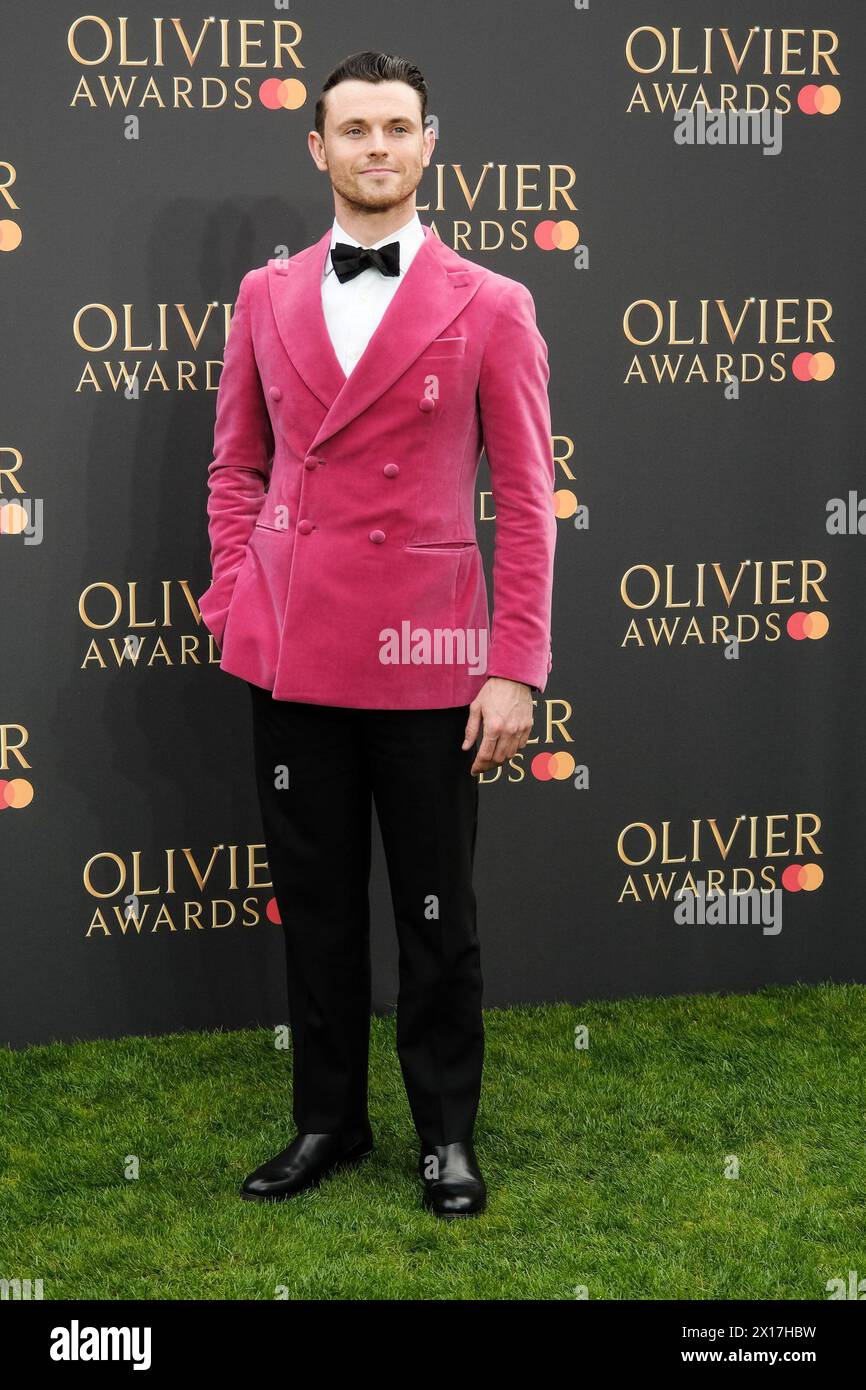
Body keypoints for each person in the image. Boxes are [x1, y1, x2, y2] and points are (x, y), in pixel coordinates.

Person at [197, 50, 557, 1218]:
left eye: (395, 127)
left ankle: (445, 1136)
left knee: (435, 916)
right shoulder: (265, 297)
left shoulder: (492, 304)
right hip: (295, 653)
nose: (375, 149)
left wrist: (514, 665)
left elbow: (525, 500)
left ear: (426, 143)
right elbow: (234, 467)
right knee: (317, 908)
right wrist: (237, 599)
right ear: (317, 148)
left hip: (429, 660)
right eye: (352, 130)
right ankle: (326, 1121)